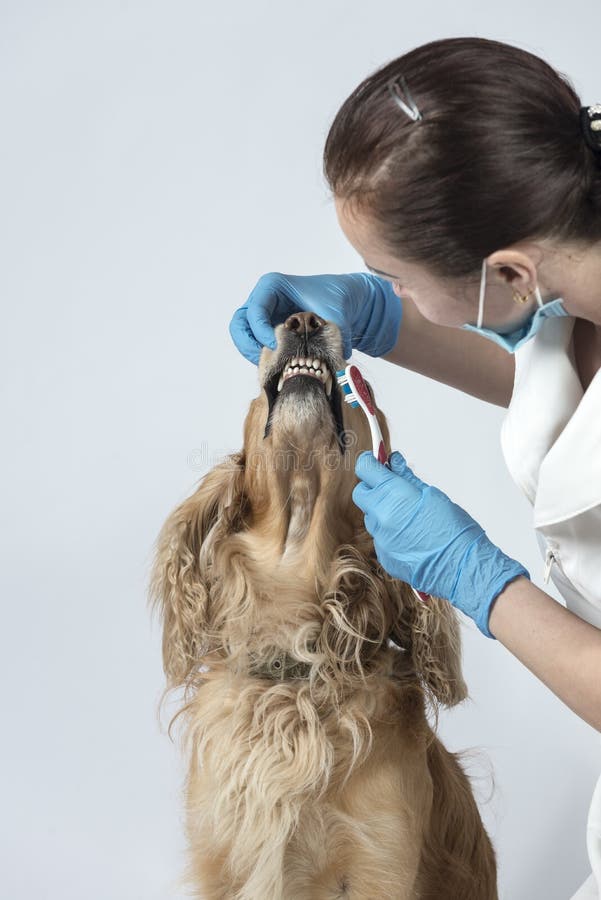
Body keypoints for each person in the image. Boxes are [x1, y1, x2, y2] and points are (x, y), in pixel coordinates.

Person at [228, 36, 601, 899]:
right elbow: (557, 391)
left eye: (389, 277)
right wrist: (380, 322)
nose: (389, 290)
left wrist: (480, 582)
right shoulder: (566, 278)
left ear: (508, 271)